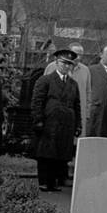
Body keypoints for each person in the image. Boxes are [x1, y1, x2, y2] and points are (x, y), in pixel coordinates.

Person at [30, 48, 83, 191]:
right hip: (49, 123)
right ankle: (44, 181)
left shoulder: (73, 84)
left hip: (66, 124)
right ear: (56, 62)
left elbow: (77, 105)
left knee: (60, 154)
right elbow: (37, 101)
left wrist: (78, 124)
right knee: (46, 153)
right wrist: (38, 120)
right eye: (63, 63)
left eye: (69, 64)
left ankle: (54, 182)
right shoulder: (45, 80)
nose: (66, 66)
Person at [46, 43, 91, 136]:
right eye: (76, 54)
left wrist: (87, 113)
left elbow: (88, 93)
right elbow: (43, 90)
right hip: (55, 114)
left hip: (77, 115)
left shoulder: (85, 70)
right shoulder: (52, 67)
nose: (78, 57)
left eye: (81, 55)